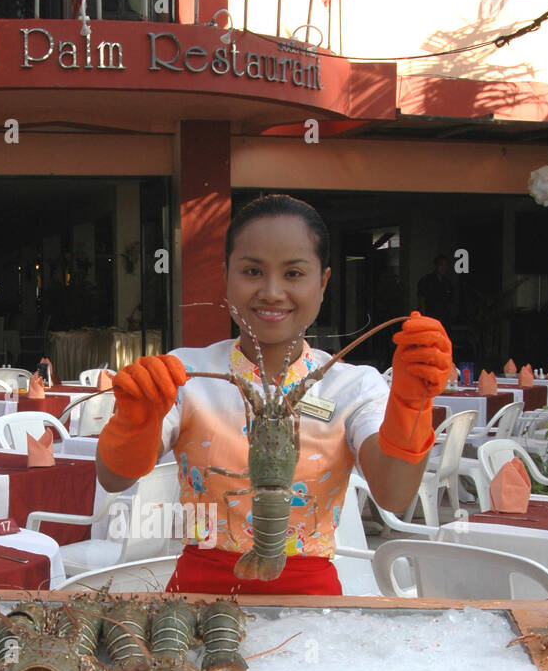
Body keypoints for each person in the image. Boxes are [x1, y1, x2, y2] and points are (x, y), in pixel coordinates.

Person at [96, 194, 453, 595]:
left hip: (309, 596)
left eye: (294, 274)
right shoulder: (185, 372)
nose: (271, 292)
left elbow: (393, 493)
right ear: (226, 275)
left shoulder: (354, 385)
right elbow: (113, 478)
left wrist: (411, 405)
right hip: (197, 593)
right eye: (251, 270)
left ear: (324, 282)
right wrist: (134, 421)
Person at [417, 254, 454, 328]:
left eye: (445, 265)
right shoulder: (426, 280)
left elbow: (449, 303)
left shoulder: (448, 283)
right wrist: (423, 317)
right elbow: (422, 300)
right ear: (436, 265)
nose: (443, 268)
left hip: (444, 317)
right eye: (441, 265)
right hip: (430, 315)